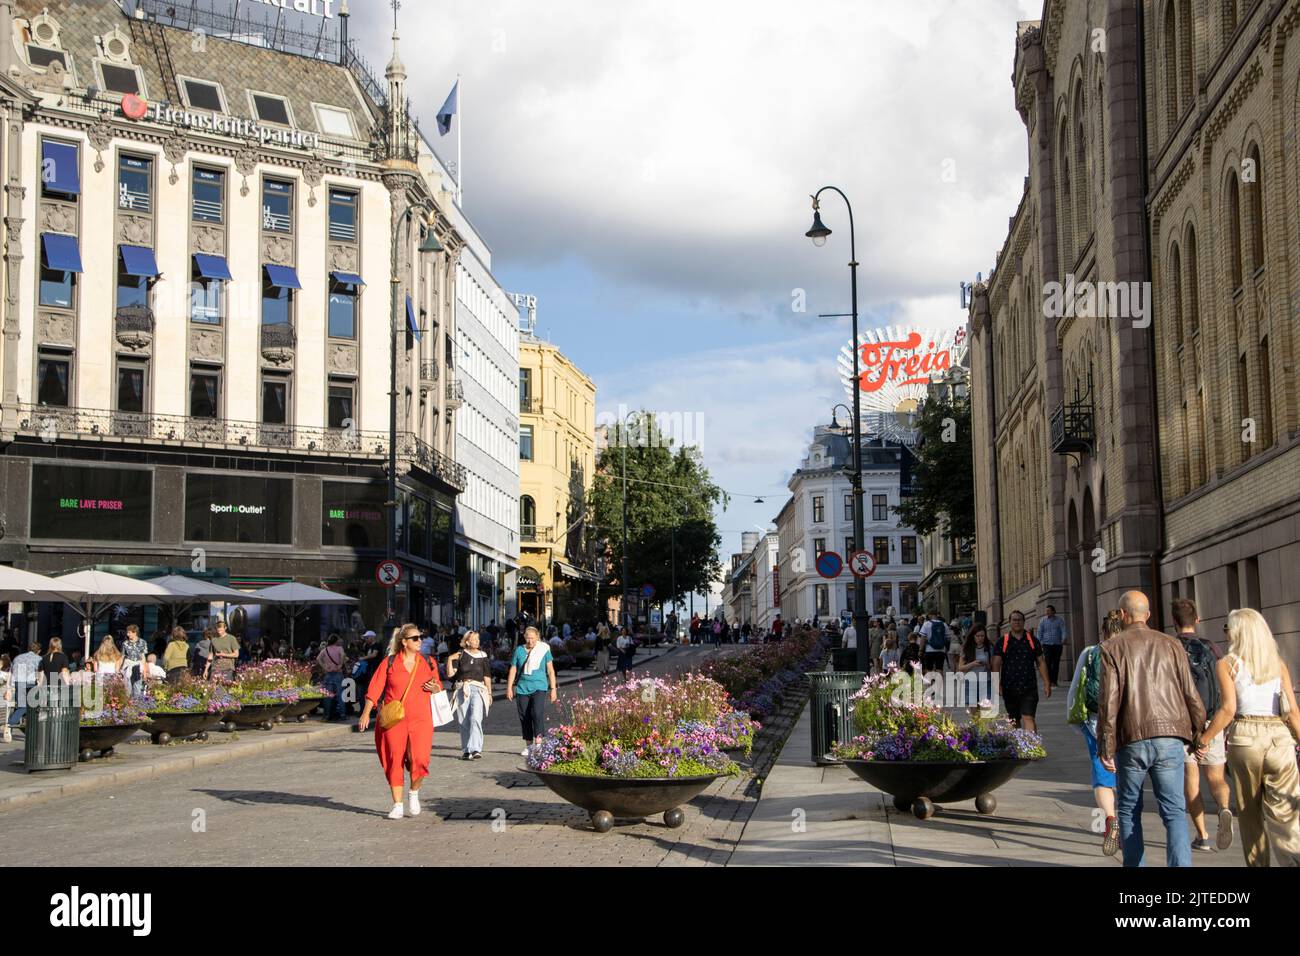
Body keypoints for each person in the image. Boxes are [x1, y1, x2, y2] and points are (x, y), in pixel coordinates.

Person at [1097, 590, 1205, 869]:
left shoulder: (1112, 648)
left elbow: (1108, 701)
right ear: (1147, 615)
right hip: (1170, 737)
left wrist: (1105, 746)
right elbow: (1191, 694)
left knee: (1129, 810)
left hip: (1131, 738)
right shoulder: (1172, 644)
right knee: (1174, 812)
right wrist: (1198, 736)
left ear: (1122, 615)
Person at [1199, 608, 1300, 867]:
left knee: (1250, 813)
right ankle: (1293, 861)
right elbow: (1292, 711)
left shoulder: (1227, 664)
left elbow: (1229, 709)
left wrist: (1205, 738)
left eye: (1228, 628)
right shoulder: (1277, 664)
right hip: (1279, 737)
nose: (1227, 633)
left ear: (1238, 633)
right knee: (1287, 814)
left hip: (1245, 738)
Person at [358, 623, 442, 820]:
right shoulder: (390, 662)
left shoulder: (428, 662)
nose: (419, 640)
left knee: (420, 759)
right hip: (395, 719)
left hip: (421, 719)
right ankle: (397, 804)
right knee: (394, 759)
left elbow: (438, 683)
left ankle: (414, 792)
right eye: (415, 638)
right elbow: (375, 688)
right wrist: (365, 714)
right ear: (404, 642)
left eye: (420, 637)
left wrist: (436, 688)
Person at [1170, 598, 1233, 852]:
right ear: (1197, 619)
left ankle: (1203, 836)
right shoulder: (1213, 648)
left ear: (1174, 622)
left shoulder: (1170, 647)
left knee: (1192, 780)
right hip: (1211, 721)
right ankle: (1224, 808)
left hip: (1183, 722)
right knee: (1216, 777)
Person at [1068, 609, 1124, 856]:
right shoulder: (1129, 651)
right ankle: (1128, 824)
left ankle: (1110, 821)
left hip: (1095, 722)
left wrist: (1077, 723)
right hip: (1127, 722)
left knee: (1101, 774)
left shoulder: (1090, 653)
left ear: (1102, 631)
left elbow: (1074, 691)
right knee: (1126, 773)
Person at [992, 610, 1051, 731]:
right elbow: (996, 664)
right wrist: (996, 684)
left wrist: (1047, 683)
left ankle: (1032, 747)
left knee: (1028, 716)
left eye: (1019, 620)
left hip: (1029, 686)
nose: (1017, 622)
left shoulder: (1033, 641)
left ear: (1024, 622)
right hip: (1009, 687)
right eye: (1014, 620)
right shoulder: (1002, 641)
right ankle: (1019, 745)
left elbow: (1041, 662)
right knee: (1014, 720)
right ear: (1010, 622)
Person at [507, 626, 556, 756]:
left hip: (539, 686)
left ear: (537, 637)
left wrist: (553, 689)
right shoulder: (519, 650)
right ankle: (529, 745)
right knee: (525, 716)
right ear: (524, 637)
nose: (530, 641)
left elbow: (550, 670)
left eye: (532, 638)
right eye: (528, 638)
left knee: (537, 713)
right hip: (523, 688)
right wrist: (509, 687)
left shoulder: (544, 649)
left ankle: (538, 744)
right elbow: (513, 669)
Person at [446, 630, 491, 759]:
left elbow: (487, 675)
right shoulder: (461, 655)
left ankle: (476, 749)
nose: (477, 642)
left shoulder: (483, 655)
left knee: (475, 718)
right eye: (474, 639)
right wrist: (449, 660)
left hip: (478, 688)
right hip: (462, 688)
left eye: (478, 639)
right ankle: (466, 750)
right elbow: (450, 677)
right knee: (463, 720)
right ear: (467, 642)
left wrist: (489, 693)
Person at [316, 634, 349, 722]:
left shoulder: (325, 650)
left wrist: (324, 667)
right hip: (338, 673)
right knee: (340, 695)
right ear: (336, 641)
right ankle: (342, 715)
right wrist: (340, 665)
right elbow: (342, 656)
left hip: (328, 674)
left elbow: (318, 659)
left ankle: (327, 715)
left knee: (328, 696)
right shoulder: (339, 648)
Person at [9, 641, 41, 731]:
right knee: (32, 705)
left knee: (21, 706)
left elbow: (12, 671)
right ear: (38, 651)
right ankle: (10, 723)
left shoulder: (17, 657)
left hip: (19, 682)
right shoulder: (38, 659)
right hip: (30, 683)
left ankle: (12, 725)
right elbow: (40, 673)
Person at [0, 654, 12, 743]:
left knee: (4, 712)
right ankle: (6, 730)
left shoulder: (6, 672)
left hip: (3, 694)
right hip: (4, 694)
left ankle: (6, 730)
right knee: (5, 713)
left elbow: (7, 682)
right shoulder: (8, 671)